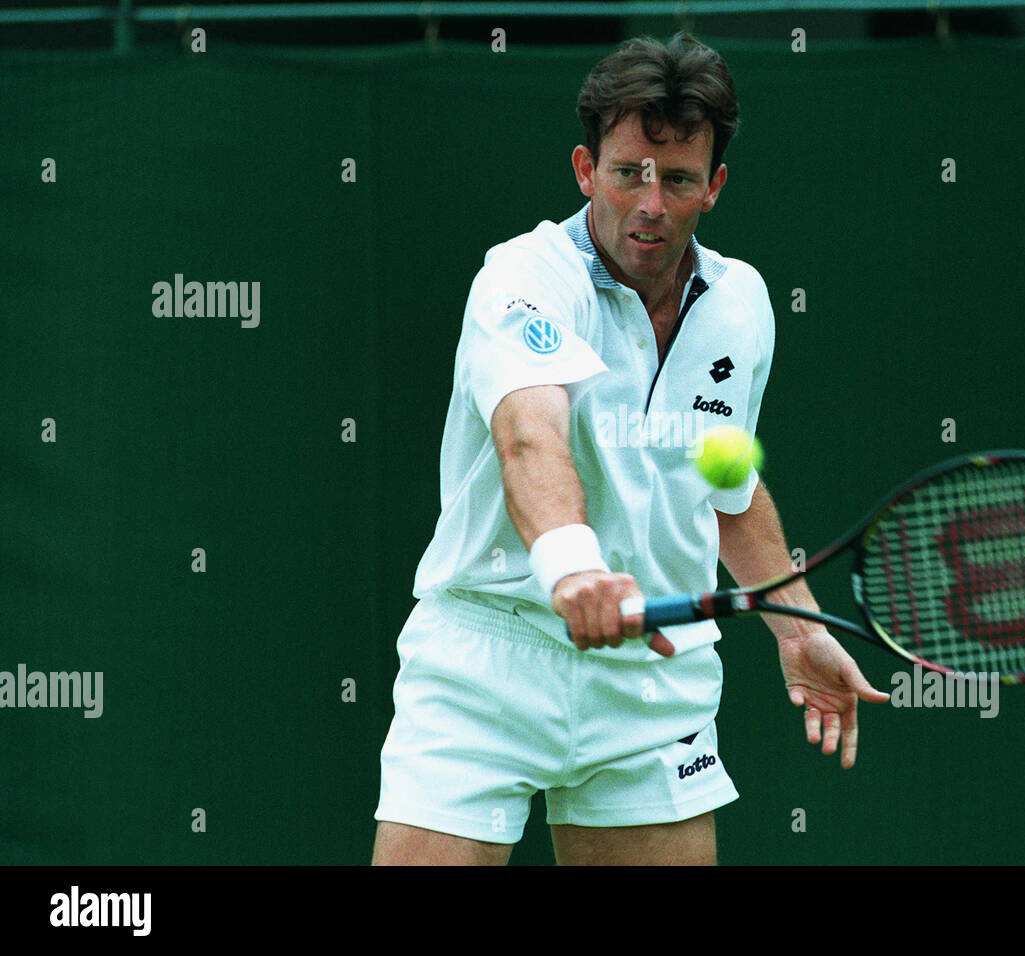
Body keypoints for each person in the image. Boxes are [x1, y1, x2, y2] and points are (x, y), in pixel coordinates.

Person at [372, 31, 888, 867]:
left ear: (712, 187)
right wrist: (575, 569)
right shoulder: (522, 276)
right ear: (586, 170)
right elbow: (528, 436)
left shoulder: (742, 302)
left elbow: (722, 478)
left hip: (655, 669)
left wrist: (792, 623)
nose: (649, 204)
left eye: (678, 180)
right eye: (627, 174)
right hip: (483, 660)